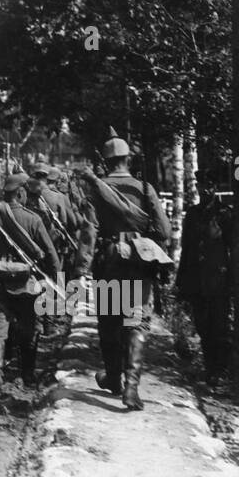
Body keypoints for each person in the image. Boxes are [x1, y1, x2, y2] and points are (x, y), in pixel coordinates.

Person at [77, 130, 173, 411]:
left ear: (106, 162)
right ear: (128, 159)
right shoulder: (145, 188)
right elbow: (164, 230)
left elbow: (89, 231)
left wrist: (81, 269)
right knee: (137, 321)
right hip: (140, 261)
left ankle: (114, 379)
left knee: (109, 321)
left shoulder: (96, 188)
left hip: (109, 261)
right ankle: (132, 388)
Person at [0, 172, 59, 391]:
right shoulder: (33, 219)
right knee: (29, 327)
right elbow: (51, 255)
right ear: (21, 192)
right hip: (27, 284)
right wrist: (52, 278)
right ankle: (28, 375)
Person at [177, 170, 232, 383]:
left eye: (209, 185)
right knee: (203, 326)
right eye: (201, 185)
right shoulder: (192, 214)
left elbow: (233, 249)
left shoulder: (224, 214)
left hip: (218, 280)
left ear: (216, 188)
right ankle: (210, 368)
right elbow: (186, 248)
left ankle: (220, 370)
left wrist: (233, 280)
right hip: (197, 280)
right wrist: (181, 281)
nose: (205, 190)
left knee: (219, 327)